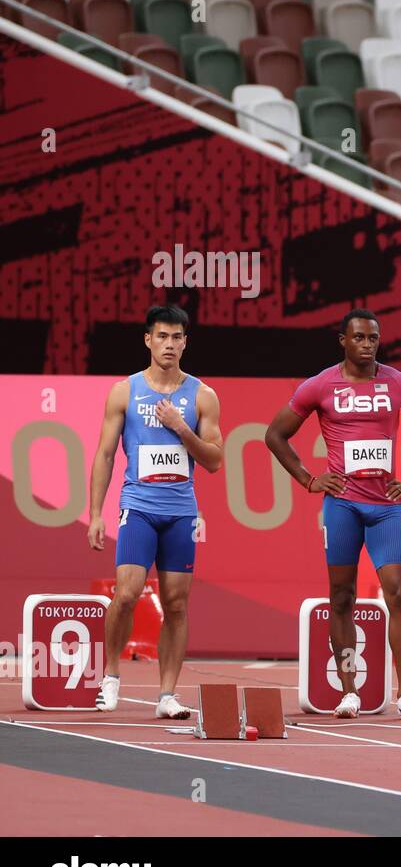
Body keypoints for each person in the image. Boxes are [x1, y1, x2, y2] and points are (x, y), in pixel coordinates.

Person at [265, 309, 401, 720]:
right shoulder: (319, 385)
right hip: (342, 505)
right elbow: (275, 435)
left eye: (374, 338)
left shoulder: (400, 384)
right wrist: (309, 479)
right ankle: (350, 692)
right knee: (342, 597)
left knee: (398, 593)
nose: (367, 344)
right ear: (342, 340)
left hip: (386, 509)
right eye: (360, 337)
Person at [88, 305, 224, 719]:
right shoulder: (124, 392)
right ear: (148, 340)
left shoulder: (202, 396)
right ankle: (110, 678)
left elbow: (215, 460)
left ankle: (167, 695)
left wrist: (181, 427)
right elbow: (106, 454)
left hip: (181, 512)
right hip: (139, 507)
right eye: (162, 336)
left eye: (177, 337)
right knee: (127, 593)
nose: (169, 344)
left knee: (177, 603)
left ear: (185, 342)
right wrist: (95, 513)